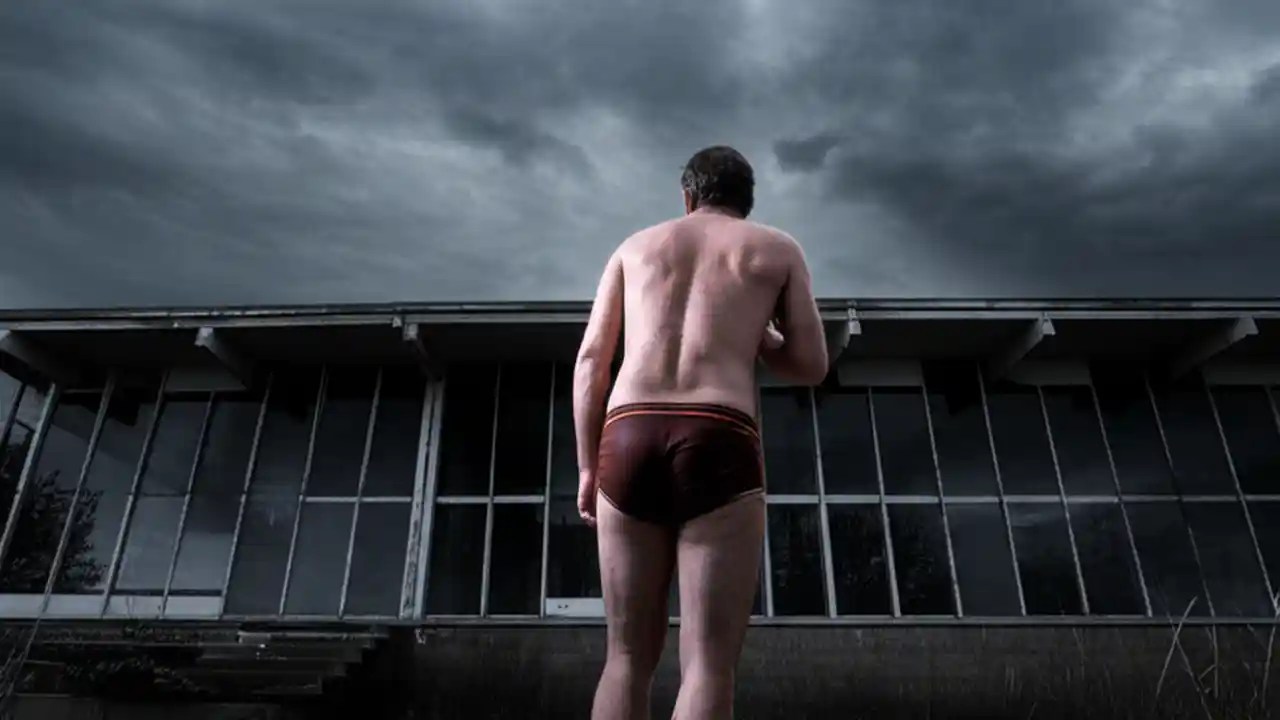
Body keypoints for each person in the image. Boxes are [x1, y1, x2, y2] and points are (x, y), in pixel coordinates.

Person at [573, 145, 839, 720]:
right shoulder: (776, 249)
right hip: (719, 429)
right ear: (747, 201)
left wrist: (588, 468)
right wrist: (759, 336)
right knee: (708, 665)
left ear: (688, 195)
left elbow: (592, 360)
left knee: (624, 657)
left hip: (628, 430)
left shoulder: (635, 247)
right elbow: (811, 365)